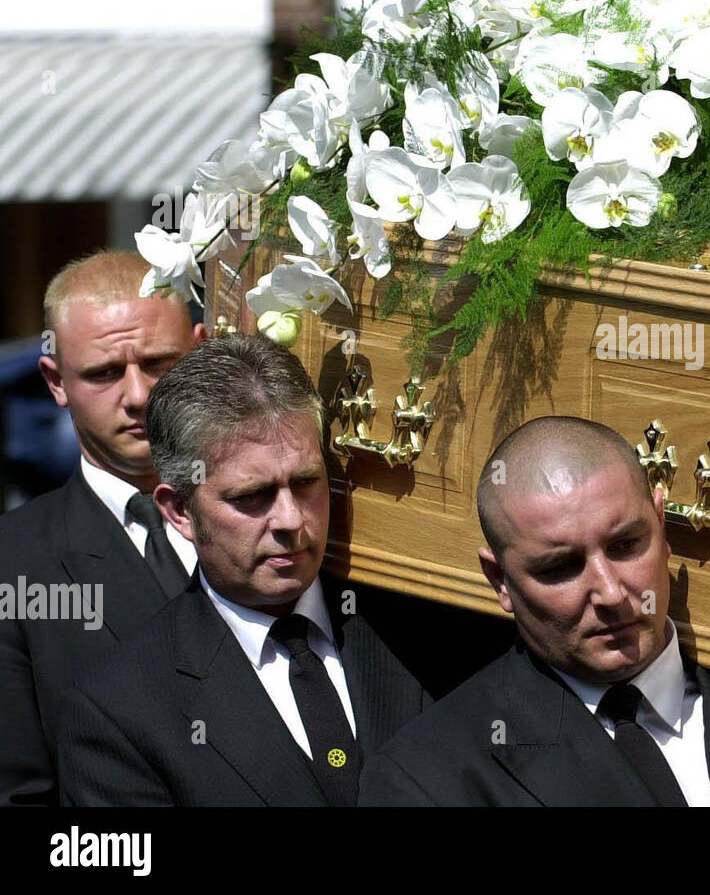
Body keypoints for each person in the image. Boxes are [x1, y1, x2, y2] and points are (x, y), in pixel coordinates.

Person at [359, 416, 710, 806]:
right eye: (562, 567)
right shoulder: (427, 780)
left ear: (661, 523)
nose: (612, 594)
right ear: (501, 582)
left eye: (625, 546)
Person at [56, 335, 430, 806]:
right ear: (179, 512)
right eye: (251, 497)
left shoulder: (424, 632)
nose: (291, 520)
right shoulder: (117, 714)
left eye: (307, 482)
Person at [0, 250, 205, 805]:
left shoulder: (291, 518)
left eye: (159, 363)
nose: (138, 396)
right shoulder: (14, 563)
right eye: (104, 373)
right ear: (55, 380)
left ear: (203, 351)